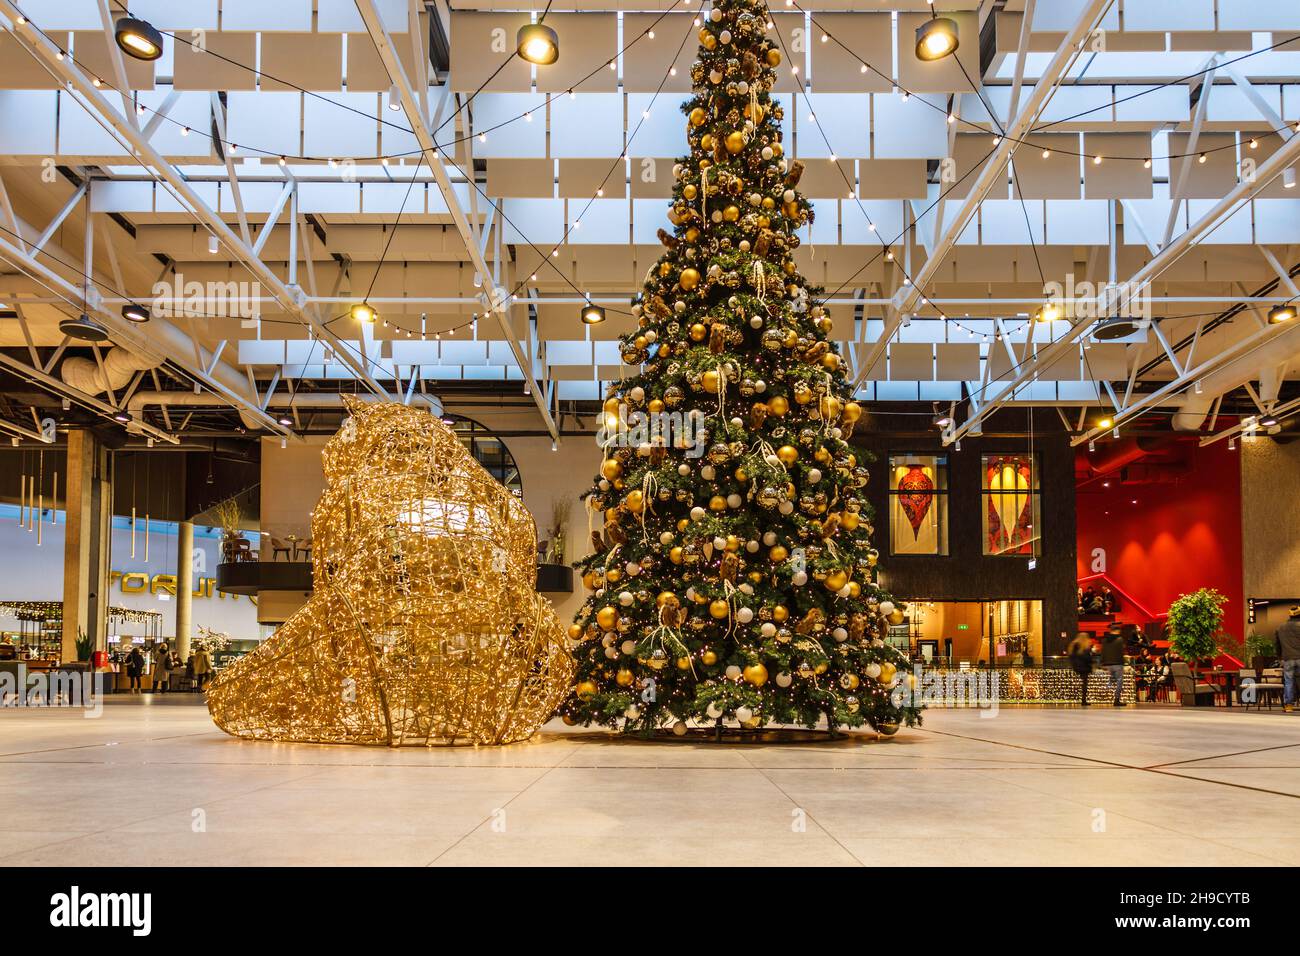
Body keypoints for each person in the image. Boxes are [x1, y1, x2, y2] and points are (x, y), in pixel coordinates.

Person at [1276, 605, 1300, 712]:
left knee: (1289, 681)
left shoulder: (1281, 627)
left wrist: (1279, 656)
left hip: (1288, 658)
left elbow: (1277, 644)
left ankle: (1289, 705)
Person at [1100, 624, 1127, 706]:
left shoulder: (1104, 640)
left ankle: (1104, 691)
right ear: (1117, 630)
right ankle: (1116, 700)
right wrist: (1124, 662)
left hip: (1108, 664)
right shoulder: (1120, 639)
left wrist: (1103, 662)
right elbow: (1121, 652)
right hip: (1118, 663)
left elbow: (1103, 652)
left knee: (1111, 680)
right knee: (1119, 681)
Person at [1067, 632, 1095, 706]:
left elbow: (1071, 657)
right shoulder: (1084, 647)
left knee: (1081, 684)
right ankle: (1084, 700)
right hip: (1084, 668)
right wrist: (1092, 660)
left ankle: (1081, 699)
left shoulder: (1073, 646)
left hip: (1076, 667)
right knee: (1084, 684)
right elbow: (1087, 658)